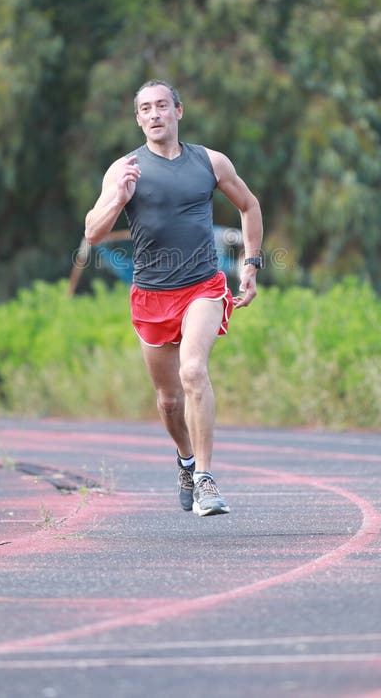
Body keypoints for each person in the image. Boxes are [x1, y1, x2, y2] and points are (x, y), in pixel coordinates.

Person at [84, 80, 263, 516]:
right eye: (145, 108)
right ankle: (185, 459)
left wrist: (252, 263)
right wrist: (119, 198)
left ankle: (204, 479)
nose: (154, 114)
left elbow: (250, 205)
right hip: (151, 294)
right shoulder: (124, 168)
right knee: (168, 399)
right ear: (138, 118)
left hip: (203, 285)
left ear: (178, 111)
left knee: (194, 371)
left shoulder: (210, 161)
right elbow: (92, 232)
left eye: (162, 105)